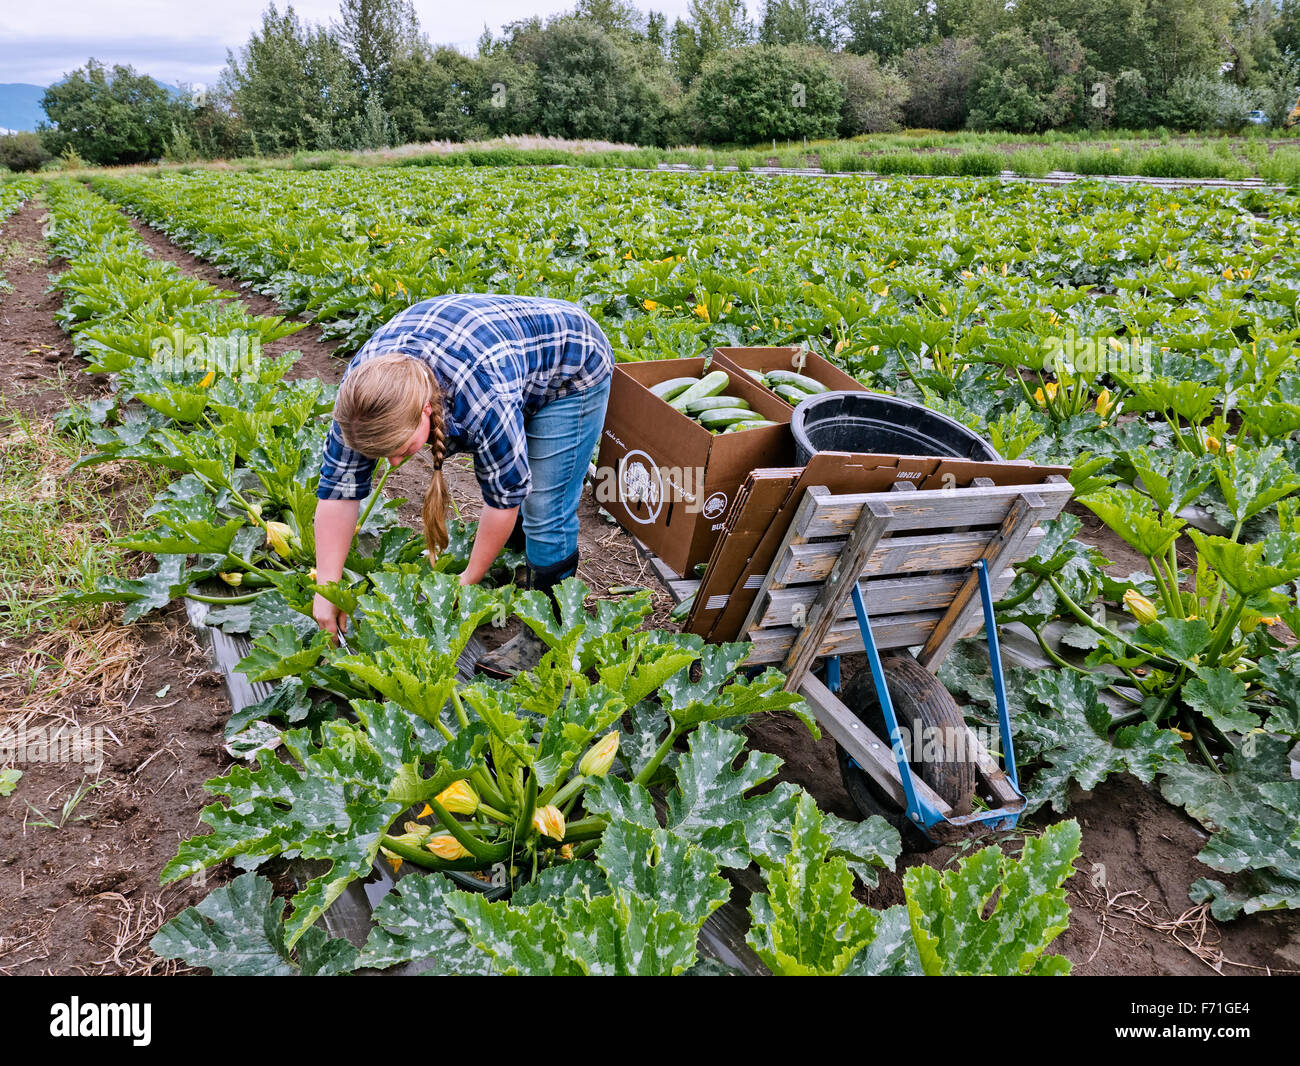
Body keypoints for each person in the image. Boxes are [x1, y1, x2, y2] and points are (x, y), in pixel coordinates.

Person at [312, 292, 614, 675]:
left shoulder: (482, 399)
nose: (392, 462)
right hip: (493, 347)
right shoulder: (360, 403)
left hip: (572, 363)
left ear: (426, 410)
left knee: (544, 505)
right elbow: (338, 492)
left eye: (402, 448)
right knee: (520, 476)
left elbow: (504, 497)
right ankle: (521, 562)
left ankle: (546, 638)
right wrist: (327, 590)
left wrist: (467, 580)